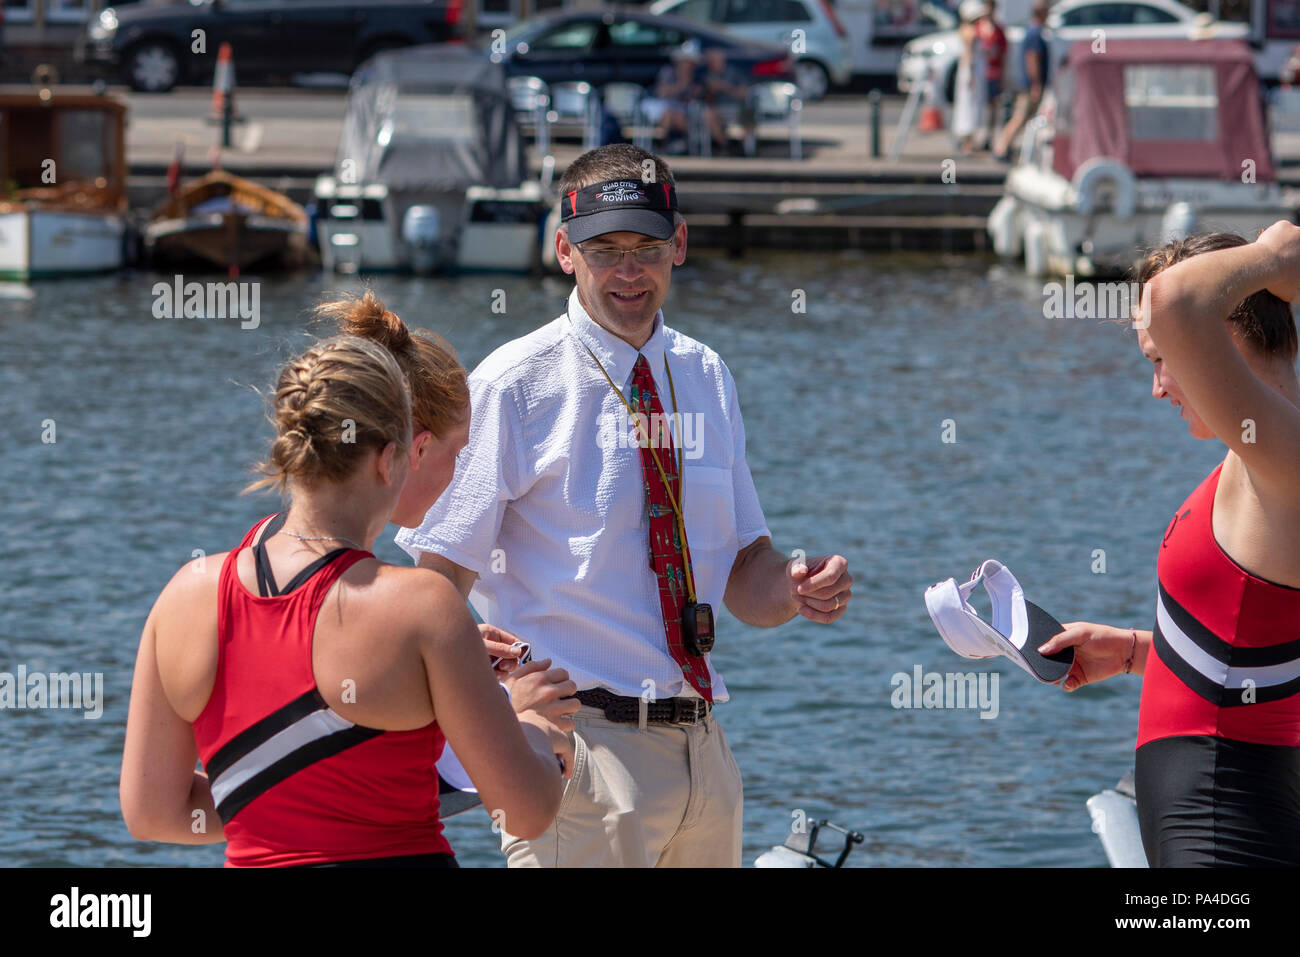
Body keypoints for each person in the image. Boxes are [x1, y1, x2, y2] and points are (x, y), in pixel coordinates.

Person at [396, 143, 854, 868]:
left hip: (705, 755)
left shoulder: (706, 373)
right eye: (604, 249)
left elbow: (745, 572)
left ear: (679, 243)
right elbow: (433, 585)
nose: (628, 270)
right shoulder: (513, 385)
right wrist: (484, 728)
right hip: (575, 752)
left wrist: (796, 587)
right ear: (563, 251)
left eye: (645, 246)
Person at [120, 334, 572, 867]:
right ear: (391, 460)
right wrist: (532, 727)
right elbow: (526, 813)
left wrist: (281, 804)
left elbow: (153, 811)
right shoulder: (423, 607)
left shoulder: (187, 594)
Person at [1038, 227, 1300, 867]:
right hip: (1225, 820)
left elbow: (1171, 302)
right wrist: (1135, 653)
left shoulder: (1284, 466)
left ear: (1228, 334)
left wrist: (1273, 259)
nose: (1158, 387)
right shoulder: (1262, 464)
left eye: (1161, 360)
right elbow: (1264, 658)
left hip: (1224, 832)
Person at [238, 291, 583, 730]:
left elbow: (294, 705)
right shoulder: (411, 601)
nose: (461, 474)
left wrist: (433, 654)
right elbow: (356, 754)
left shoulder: (250, 554)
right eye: (458, 454)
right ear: (416, 448)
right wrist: (513, 712)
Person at [992, 1, 1048, 162]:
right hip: (1030, 85)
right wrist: (1036, 84)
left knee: (1024, 118)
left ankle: (1010, 148)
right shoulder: (1035, 33)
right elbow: (1032, 59)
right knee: (1020, 117)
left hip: (1029, 84)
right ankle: (1001, 148)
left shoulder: (1031, 31)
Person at [698, 45, 754, 156]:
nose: (711, 64)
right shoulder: (708, 75)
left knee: (750, 113)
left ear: (721, 60)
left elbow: (744, 94)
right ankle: (726, 146)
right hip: (719, 108)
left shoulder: (735, 73)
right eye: (709, 61)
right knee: (707, 114)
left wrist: (723, 87)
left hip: (738, 107)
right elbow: (705, 101)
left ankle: (747, 149)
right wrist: (711, 92)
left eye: (713, 61)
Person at [652, 42, 702, 155]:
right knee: (669, 115)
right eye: (685, 61)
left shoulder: (696, 76)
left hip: (686, 112)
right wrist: (681, 85)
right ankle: (662, 147)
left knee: (678, 117)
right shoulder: (667, 72)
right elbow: (662, 92)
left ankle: (685, 146)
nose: (687, 64)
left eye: (690, 62)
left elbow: (697, 97)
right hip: (665, 108)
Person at [952, 0, 988, 155]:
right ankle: (967, 142)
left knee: (968, 104)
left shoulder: (965, 30)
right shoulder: (971, 32)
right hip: (971, 72)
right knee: (970, 105)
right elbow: (969, 55)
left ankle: (968, 141)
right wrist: (972, 75)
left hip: (969, 71)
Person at [977, 1, 1007, 151]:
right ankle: (977, 136)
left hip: (993, 73)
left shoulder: (998, 30)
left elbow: (1004, 55)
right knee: (978, 106)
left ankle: (990, 136)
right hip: (980, 72)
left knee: (993, 106)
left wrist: (1003, 76)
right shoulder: (978, 27)